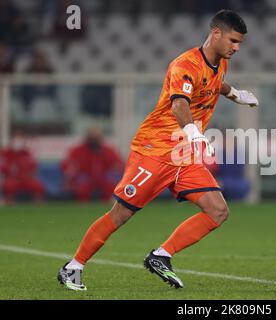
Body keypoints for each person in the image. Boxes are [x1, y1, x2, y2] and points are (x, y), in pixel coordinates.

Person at [57, 9, 259, 291]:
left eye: (240, 43)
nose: (236, 48)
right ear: (216, 34)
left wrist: (236, 94)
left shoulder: (220, 62)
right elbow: (179, 104)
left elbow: (214, 84)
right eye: (233, 41)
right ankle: (73, 267)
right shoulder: (184, 64)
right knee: (121, 214)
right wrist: (194, 134)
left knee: (217, 210)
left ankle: (160, 256)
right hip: (155, 150)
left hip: (183, 155)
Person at [61, 128, 123, 202]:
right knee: (82, 188)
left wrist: (112, 172)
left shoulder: (108, 151)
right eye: (92, 137)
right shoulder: (77, 151)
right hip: (85, 178)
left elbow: (118, 164)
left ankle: (106, 208)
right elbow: (66, 165)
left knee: (110, 187)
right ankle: (82, 208)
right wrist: (74, 172)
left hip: (103, 178)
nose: (94, 140)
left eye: (96, 137)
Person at [0, 131, 45, 204]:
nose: (18, 142)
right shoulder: (6, 153)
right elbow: (3, 168)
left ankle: (38, 203)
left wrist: (30, 175)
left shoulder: (27, 153)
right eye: (16, 139)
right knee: (8, 185)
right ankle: (9, 202)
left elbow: (34, 167)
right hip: (12, 178)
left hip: (26, 179)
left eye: (20, 139)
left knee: (38, 185)